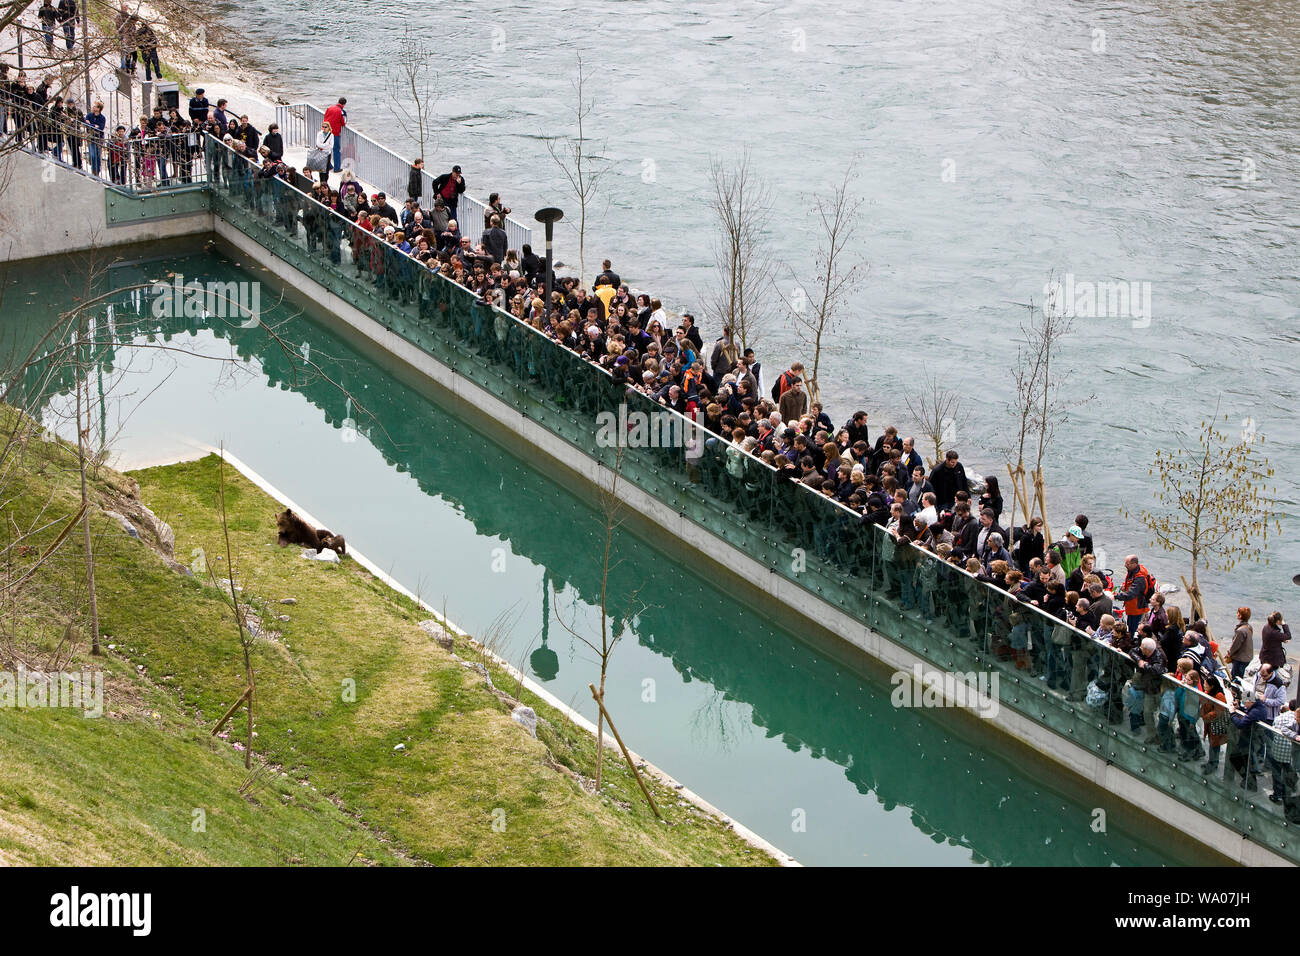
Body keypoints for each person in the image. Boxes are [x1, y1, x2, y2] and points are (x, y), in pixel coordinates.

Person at [1114, 554, 1156, 640]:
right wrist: (1124, 586)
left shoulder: (1140, 578)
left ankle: (1131, 642)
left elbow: (1131, 594)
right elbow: (1130, 584)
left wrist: (1116, 596)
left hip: (1137, 607)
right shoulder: (1134, 571)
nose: (1125, 565)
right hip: (1132, 606)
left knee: (1133, 628)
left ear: (1135, 564)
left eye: (1127, 564)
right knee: (1130, 625)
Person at [1226, 607, 1254, 681]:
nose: (1237, 614)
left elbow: (1235, 645)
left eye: (1238, 613)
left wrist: (1229, 653)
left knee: (1236, 678)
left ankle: (1235, 691)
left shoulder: (1240, 630)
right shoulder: (1249, 627)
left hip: (1240, 659)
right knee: (1240, 676)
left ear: (1240, 616)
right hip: (1247, 657)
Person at [323, 96, 347, 172]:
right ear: (344, 104)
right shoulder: (341, 111)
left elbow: (325, 117)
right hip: (335, 132)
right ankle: (337, 168)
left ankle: (329, 165)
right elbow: (343, 123)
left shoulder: (330, 108)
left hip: (326, 131)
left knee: (327, 148)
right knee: (336, 150)